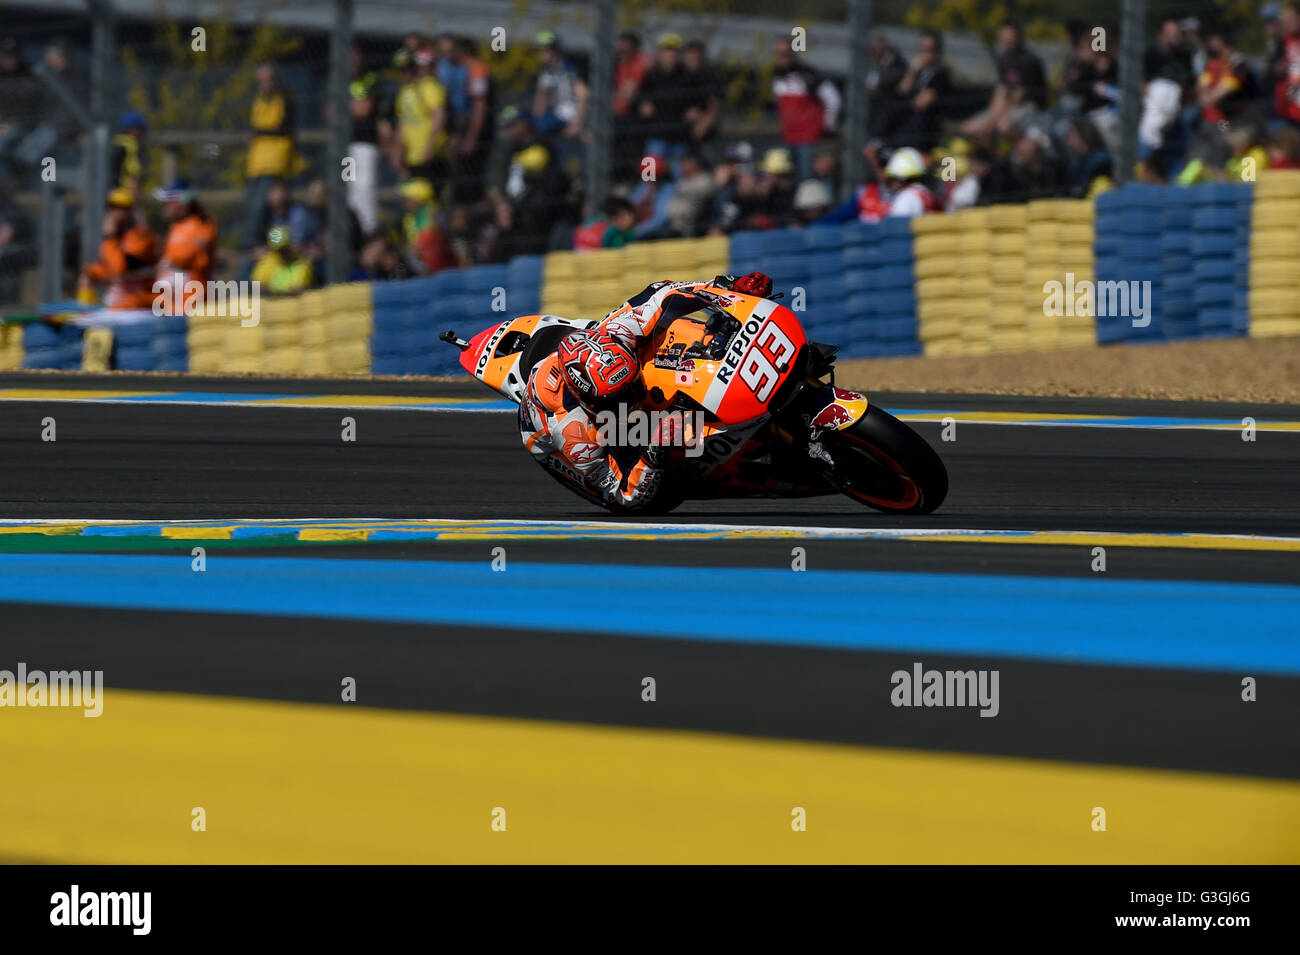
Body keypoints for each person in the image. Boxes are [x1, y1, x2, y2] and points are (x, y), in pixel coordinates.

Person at [518, 272, 772, 511]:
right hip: (566, 445)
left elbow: (664, 292)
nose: (633, 401)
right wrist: (655, 447)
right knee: (663, 494)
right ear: (588, 401)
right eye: (620, 399)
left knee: (674, 334)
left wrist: (728, 287)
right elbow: (626, 495)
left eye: (631, 387)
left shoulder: (619, 333)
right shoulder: (573, 436)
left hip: (588, 370)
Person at [771, 38, 841, 180]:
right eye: (778, 53)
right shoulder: (777, 77)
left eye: (785, 53)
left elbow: (833, 100)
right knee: (787, 179)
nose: (782, 57)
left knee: (808, 180)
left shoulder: (809, 75)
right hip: (788, 138)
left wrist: (827, 127)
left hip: (809, 140)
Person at [78, 188, 159, 309]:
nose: (116, 212)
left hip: (142, 296)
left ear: (130, 211)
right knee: (86, 275)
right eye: (112, 207)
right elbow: (108, 267)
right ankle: (84, 311)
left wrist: (110, 238)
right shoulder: (117, 236)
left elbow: (119, 268)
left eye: (122, 208)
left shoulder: (140, 234)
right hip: (123, 294)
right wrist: (91, 272)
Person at [244, 63, 296, 248]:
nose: (264, 85)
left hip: (275, 162)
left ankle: (259, 246)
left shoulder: (285, 98)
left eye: (268, 81)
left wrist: (258, 133)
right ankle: (260, 246)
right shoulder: (258, 100)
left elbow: (283, 128)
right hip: (257, 164)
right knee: (253, 208)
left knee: (266, 208)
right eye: (261, 82)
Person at [818, 146, 937, 223]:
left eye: (888, 169)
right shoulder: (865, 193)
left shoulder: (908, 198)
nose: (885, 173)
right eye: (882, 166)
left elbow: (894, 233)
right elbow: (836, 218)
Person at [154, 179, 218, 311]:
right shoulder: (175, 227)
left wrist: (170, 262)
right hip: (172, 303)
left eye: (169, 202)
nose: (166, 207)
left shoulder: (203, 225)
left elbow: (192, 255)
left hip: (193, 300)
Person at [250, 225, 314, 295]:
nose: (280, 253)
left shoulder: (302, 263)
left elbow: (298, 289)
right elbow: (257, 286)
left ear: (290, 244)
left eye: (283, 248)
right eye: (277, 250)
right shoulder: (269, 259)